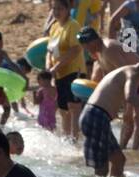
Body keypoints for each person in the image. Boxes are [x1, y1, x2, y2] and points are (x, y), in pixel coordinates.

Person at [78, 49, 139, 177]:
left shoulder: (129, 72)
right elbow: (131, 97)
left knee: (118, 160)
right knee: (102, 169)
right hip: (96, 116)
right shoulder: (134, 73)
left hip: (96, 117)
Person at [46, 0, 83, 139]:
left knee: (74, 108)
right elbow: (49, 50)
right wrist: (47, 67)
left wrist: (55, 67)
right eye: (54, 8)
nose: (56, 12)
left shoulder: (73, 25)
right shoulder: (54, 27)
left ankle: (75, 140)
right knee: (62, 109)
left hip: (74, 70)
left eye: (60, 8)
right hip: (59, 73)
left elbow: (75, 49)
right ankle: (67, 140)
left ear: (68, 9)